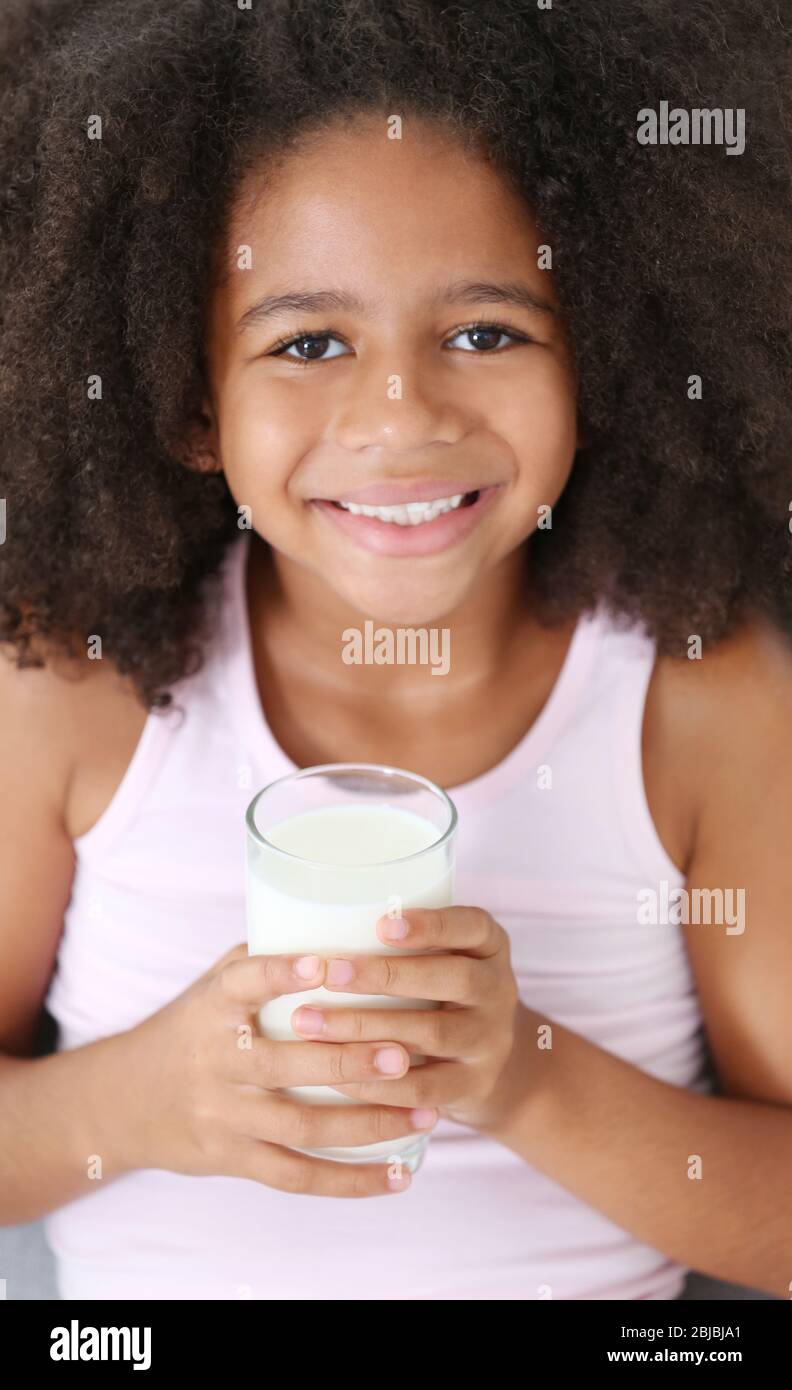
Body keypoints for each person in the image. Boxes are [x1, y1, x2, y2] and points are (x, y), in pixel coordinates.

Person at [0, 0, 790, 1301]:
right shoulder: (76, 692)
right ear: (194, 400)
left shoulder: (700, 702)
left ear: (608, 347)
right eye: (308, 343)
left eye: (486, 331)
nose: (399, 415)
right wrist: (146, 1101)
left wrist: (526, 1076)